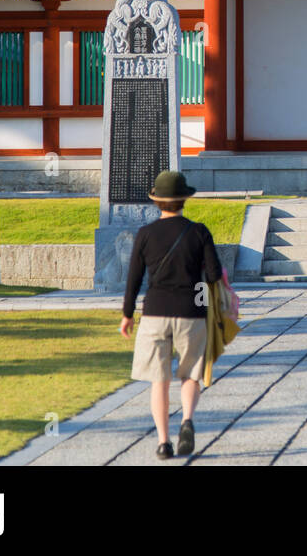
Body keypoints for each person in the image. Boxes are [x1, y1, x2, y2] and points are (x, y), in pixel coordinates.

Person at [120, 170, 221, 459]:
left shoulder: (145, 234)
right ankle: (187, 420)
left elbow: (134, 279)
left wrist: (127, 314)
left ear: (157, 201)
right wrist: (205, 303)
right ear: (184, 200)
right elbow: (213, 276)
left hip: (155, 313)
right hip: (191, 312)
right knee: (190, 374)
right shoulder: (199, 232)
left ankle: (163, 442)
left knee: (159, 379)